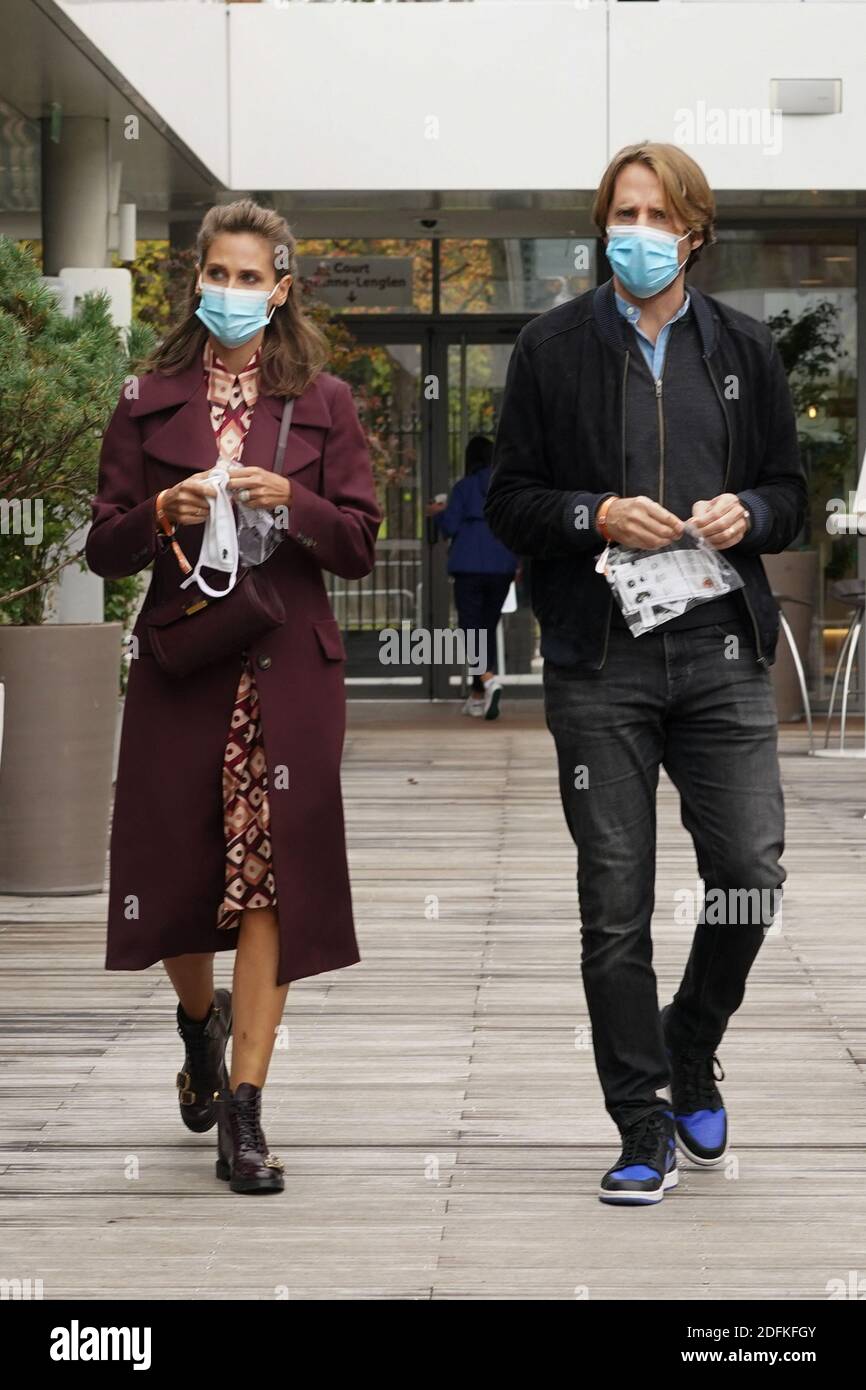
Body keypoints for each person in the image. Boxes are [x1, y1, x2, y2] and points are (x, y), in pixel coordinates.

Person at [485, 143, 806, 1205]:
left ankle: (690, 1040)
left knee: (747, 876)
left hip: (718, 654)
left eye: (654, 212)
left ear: (693, 230)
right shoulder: (548, 347)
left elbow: (787, 494)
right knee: (612, 904)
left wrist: (747, 513)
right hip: (598, 661)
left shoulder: (745, 349)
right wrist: (593, 515)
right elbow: (509, 499)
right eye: (618, 212)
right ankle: (639, 1121)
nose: (633, 229)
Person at [86, 199, 380, 1195]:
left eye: (252, 278)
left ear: (281, 288)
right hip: (181, 666)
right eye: (218, 273)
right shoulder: (143, 398)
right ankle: (199, 1022)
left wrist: (288, 501)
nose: (233, 292)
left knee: (273, 879)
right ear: (197, 280)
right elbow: (101, 542)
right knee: (174, 874)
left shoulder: (324, 402)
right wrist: (158, 510)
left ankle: (245, 1109)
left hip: (287, 672)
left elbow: (356, 541)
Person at [426, 435, 517, 720]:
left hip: (468, 567)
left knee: (471, 629)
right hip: (502, 565)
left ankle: (488, 681)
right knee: (487, 628)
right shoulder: (506, 487)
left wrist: (438, 514)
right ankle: (478, 695)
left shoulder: (464, 487)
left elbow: (452, 526)